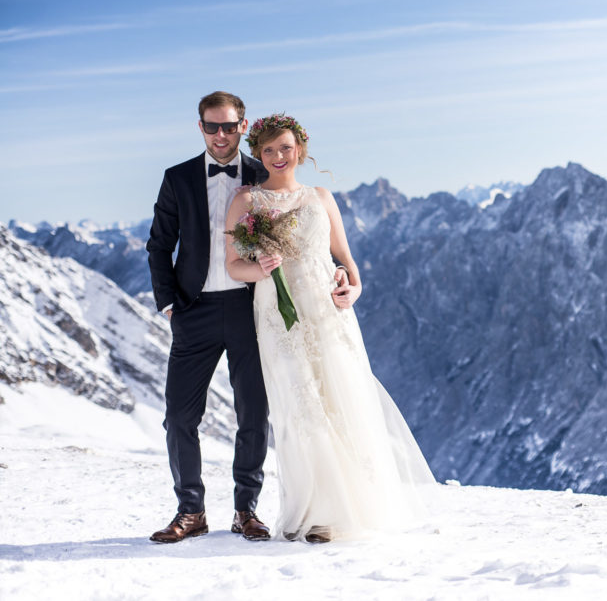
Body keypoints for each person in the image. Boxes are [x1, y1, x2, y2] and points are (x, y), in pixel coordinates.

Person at [224, 113, 435, 543]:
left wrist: (351, 287)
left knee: (342, 401)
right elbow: (233, 266)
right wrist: (259, 267)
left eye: (285, 147)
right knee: (301, 408)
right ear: (258, 155)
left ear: (300, 148)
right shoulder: (247, 202)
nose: (279, 156)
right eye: (268, 150)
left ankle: (345, 509)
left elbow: (345, 259)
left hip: (326, 312)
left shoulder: (321, 196)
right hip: (279, 315)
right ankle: (317, 511)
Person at [146, 91, 272, 543]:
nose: (221, 135)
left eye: (229, 126)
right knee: (179, 417)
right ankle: (191, 511)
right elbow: (159, 245)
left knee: (253, 414)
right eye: (212, 126)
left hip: (250, 310)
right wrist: (169, 303)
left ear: (243, 125)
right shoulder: (176, 178)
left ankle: (246, 510)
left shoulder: (264, 175)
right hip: (193, 312)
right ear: (200, 127)